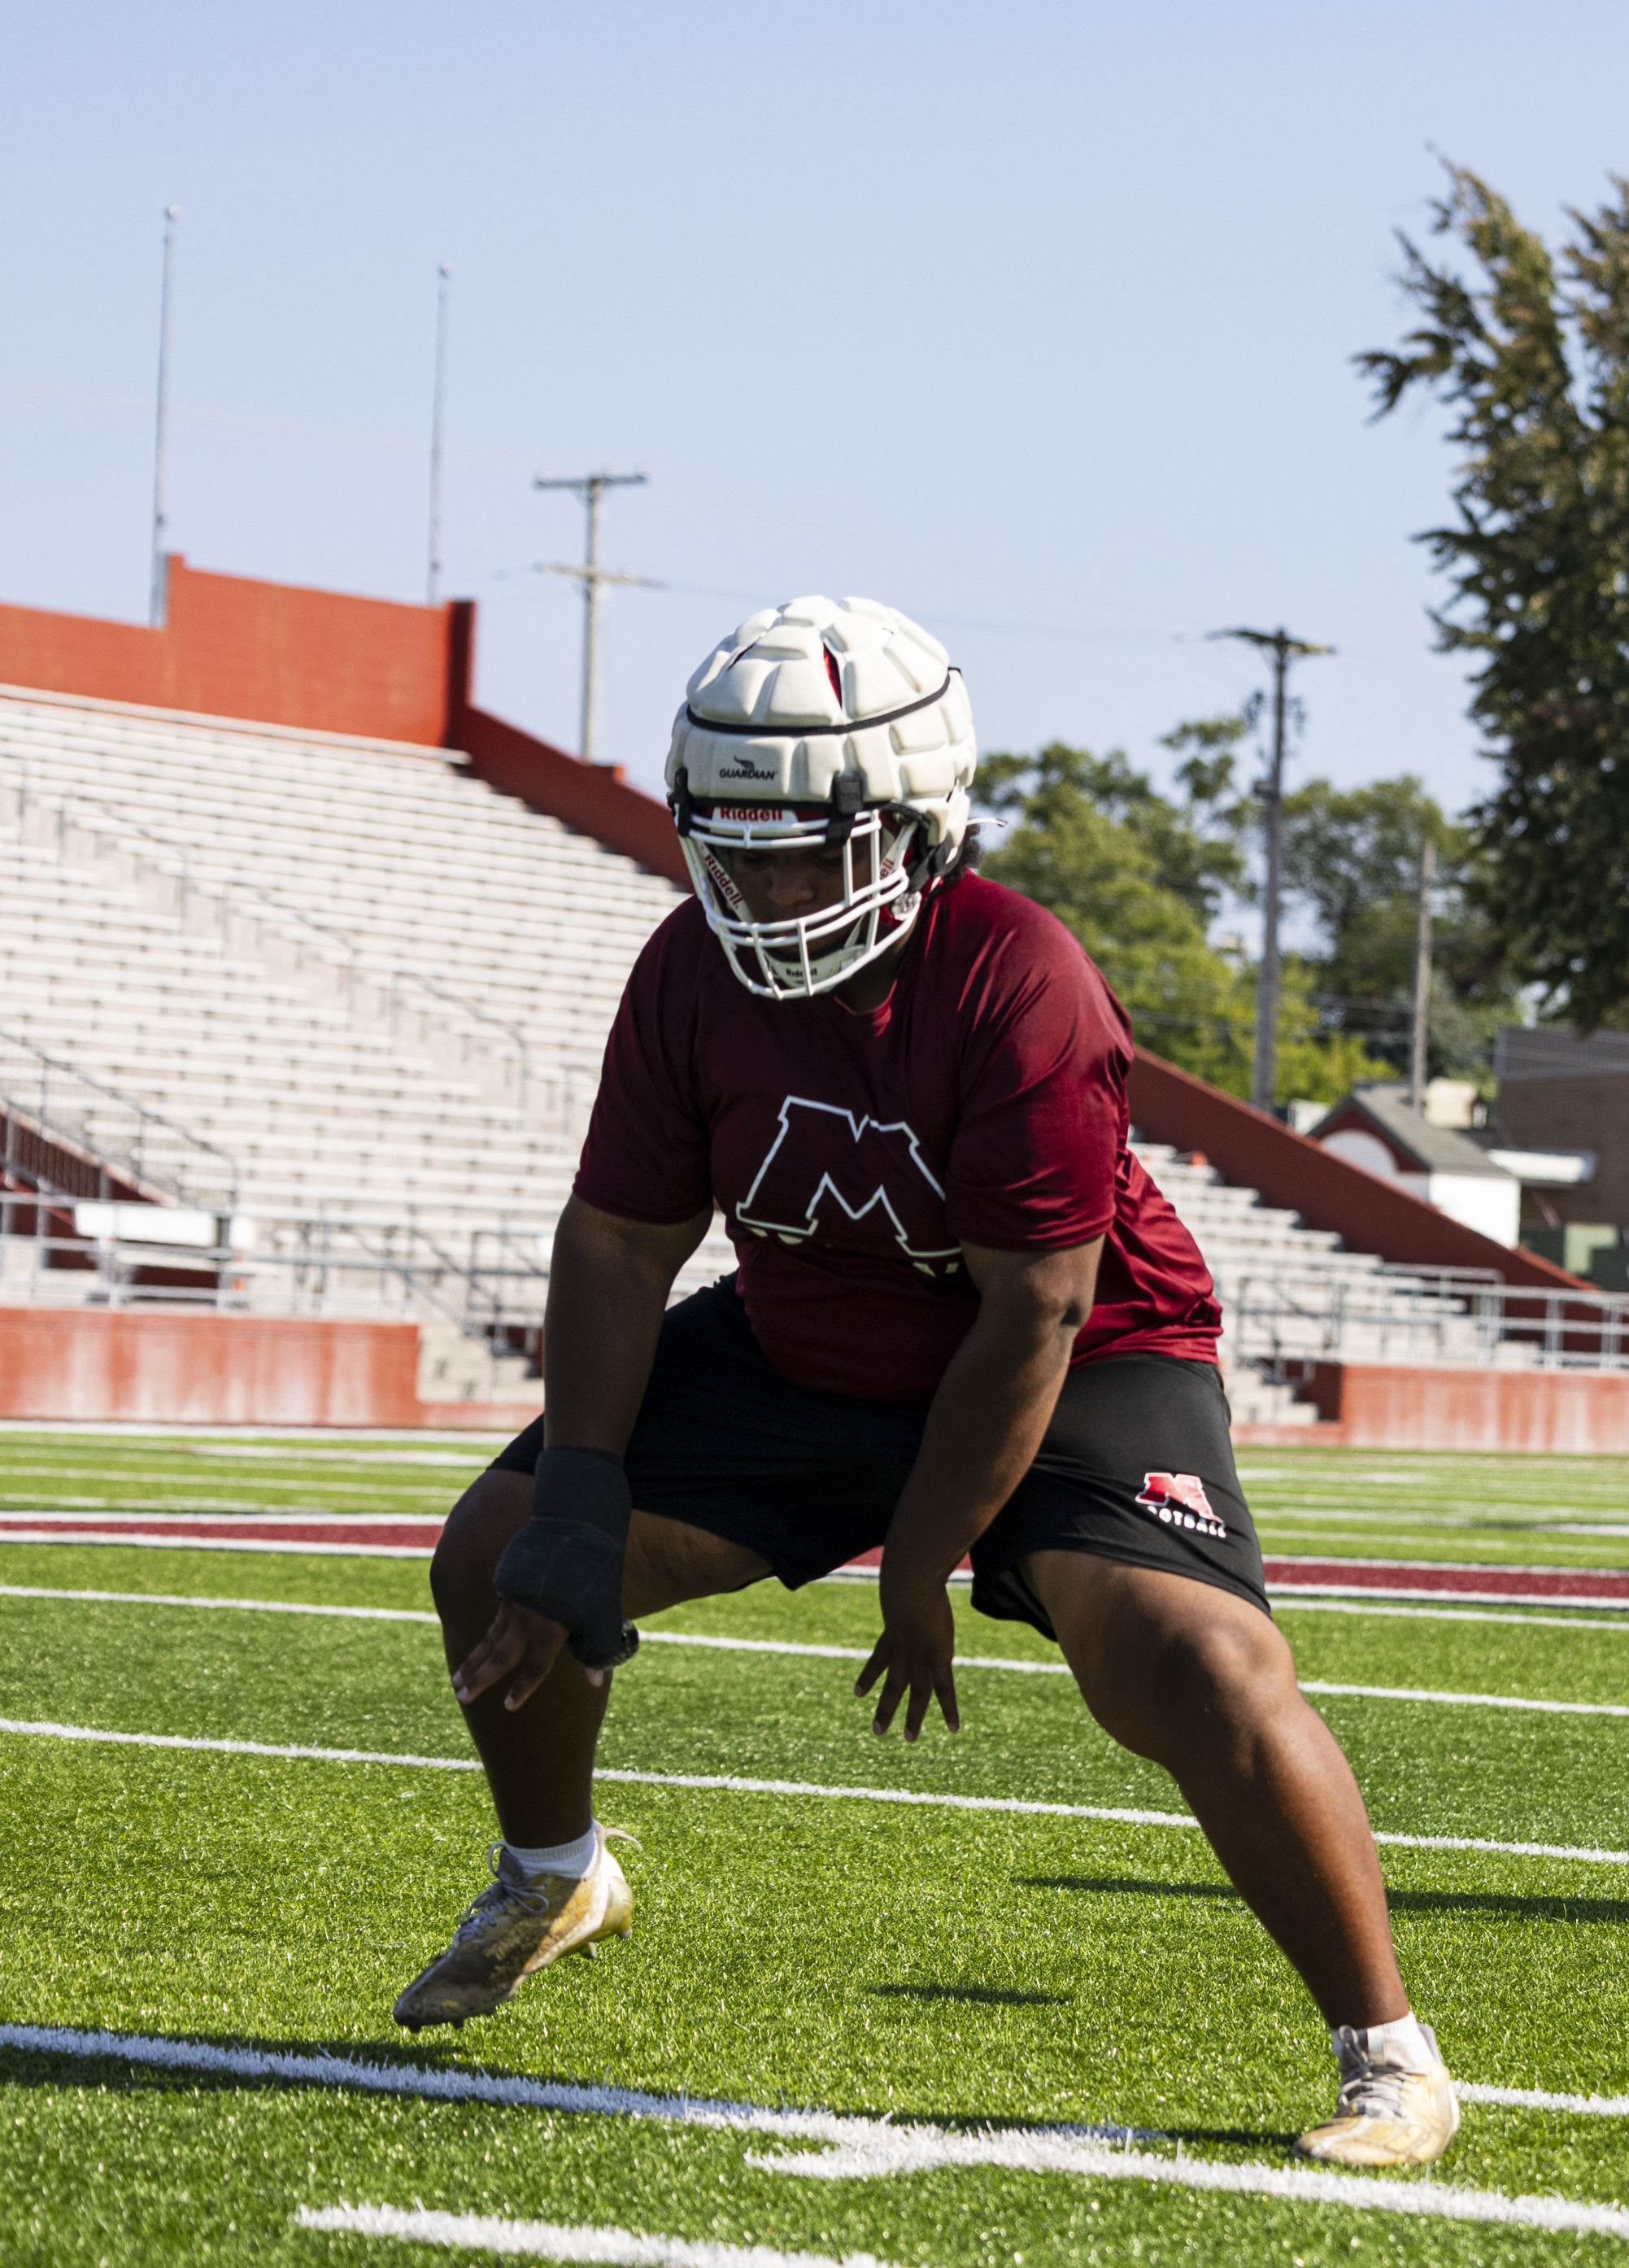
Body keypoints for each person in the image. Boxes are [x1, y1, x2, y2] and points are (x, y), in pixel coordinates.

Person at [394, 595, 1460, 2163]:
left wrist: (915, 1559)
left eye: (799, 846)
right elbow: (620, 1246)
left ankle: (1393, 2054)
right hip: (808, 1337)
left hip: (1077, 1354)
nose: (756, 882)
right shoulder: (690, 969)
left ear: (916, 826)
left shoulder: (1019, 976)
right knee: (500, 1555)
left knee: (1196, 1673)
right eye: (730, 841)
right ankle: (555, 1870)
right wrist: (577, 1487)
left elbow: (1033, 1312)